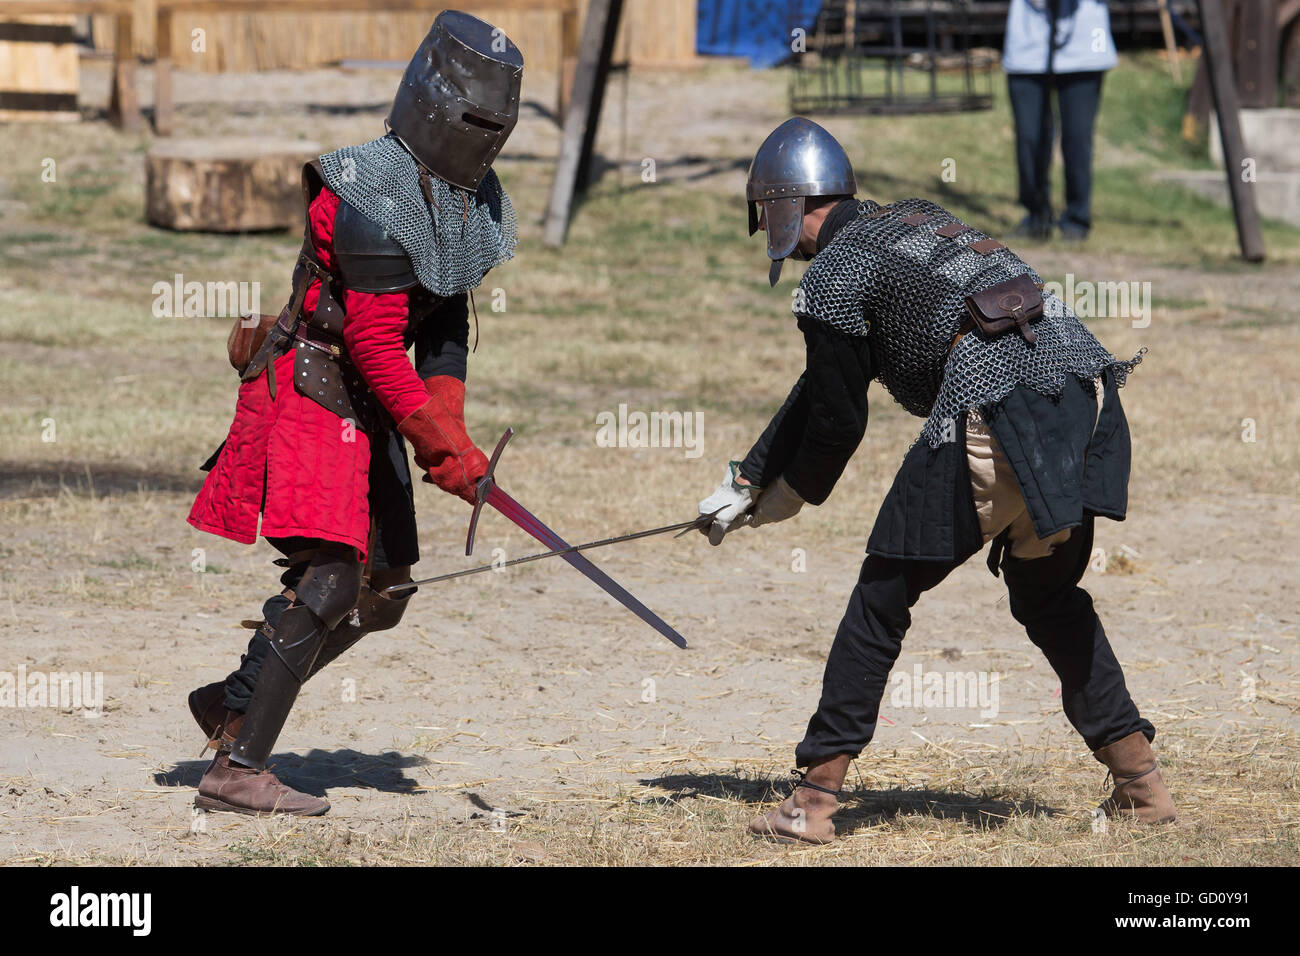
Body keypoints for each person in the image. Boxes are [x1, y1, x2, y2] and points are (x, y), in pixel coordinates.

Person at [699, 117, 1174, 845]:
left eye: (767, 210)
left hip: (995, 410)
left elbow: (836, 424)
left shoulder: (835, 272)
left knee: (881, 598)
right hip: (1077, 397)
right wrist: (751, 475)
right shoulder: (915, 221)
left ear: (786, 204)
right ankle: (1142, 787)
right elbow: (823, 385)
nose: (771, 229)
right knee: (1048, 599)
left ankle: (814, 801)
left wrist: (777, 504)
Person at [184, 10, 522, 816]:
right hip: (313, 388)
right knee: (334, 578)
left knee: (385, 591)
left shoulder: (468, 196)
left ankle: (234, 704)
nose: (479, 135)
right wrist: (442, 451)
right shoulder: (366, 192)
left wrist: (450, 424)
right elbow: (372, 345)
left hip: (369, 405)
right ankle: (236, 773)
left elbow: (440, 326)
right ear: (432, 99)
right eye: (470, 117)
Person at [1003, 0, 1117, 240]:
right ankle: (1036, 214)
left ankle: (1077, 218)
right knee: (1028, 137)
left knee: (1077, 138)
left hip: (1085, 46)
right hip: (1027, 47)